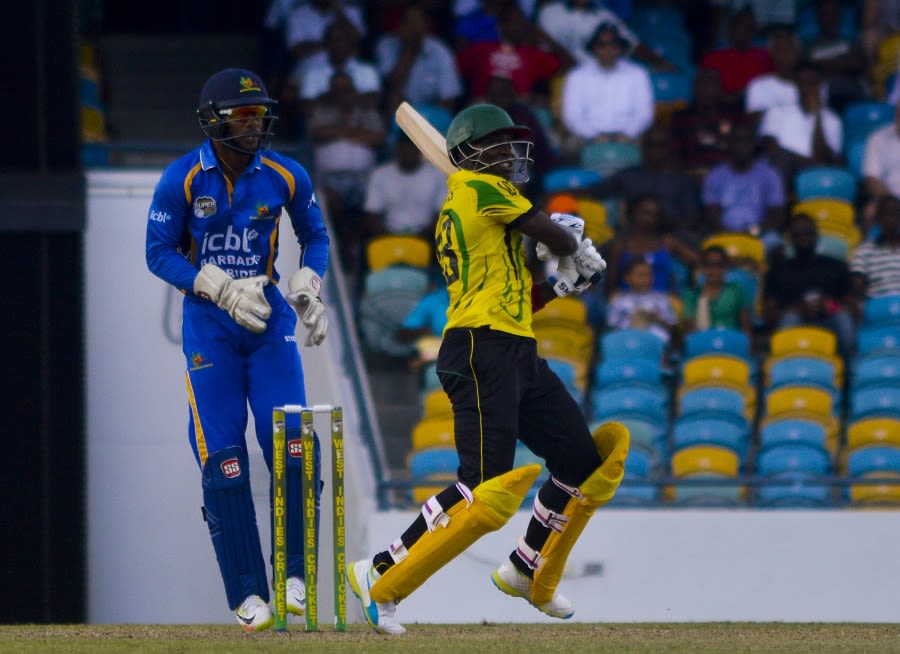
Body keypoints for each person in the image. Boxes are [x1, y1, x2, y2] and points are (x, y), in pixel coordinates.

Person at [346, 103, 627, 634]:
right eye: (496, 144)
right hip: (479, 349)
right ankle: (379, 571)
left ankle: (527, 566)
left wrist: (561, 284)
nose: (509, 153)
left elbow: (515, 298)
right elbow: (561, 239)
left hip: (512, 346)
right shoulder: (479, 189)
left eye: (511, 144)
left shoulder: (485, 206)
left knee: (579, 461)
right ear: (469, 153)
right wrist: (568, 239)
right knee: (483, 486)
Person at [144, 68, 330, 631]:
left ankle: (294, 574)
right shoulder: (182, 179)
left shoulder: (285, 174)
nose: (255, 126)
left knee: (293, 446)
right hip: (211, 329)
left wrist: (308, 283)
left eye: (259, 115)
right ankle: (248, 594)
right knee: (223, 460)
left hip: (268, 322)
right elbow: (158, 252)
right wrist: (213, 285)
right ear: (214, 121)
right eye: (243, 116)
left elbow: (315, 236)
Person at [764, 213, 856, 359]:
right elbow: (769, 315)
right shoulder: (778, 271)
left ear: (816, 236)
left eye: (808, 233)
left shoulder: (836, 266)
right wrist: (798, 309)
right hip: (796, 321)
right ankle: (785, 366)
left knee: (843, 318)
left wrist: (830, 305)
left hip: (830, 320)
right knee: (790, 318)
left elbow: (851, 308)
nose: (803, 238)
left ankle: (846, 369)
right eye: (798, 235)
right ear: (790, 238)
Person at [559, 20, 655, 152]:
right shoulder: (577, 76)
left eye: (613, 45)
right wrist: (593, 136)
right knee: (569, 147)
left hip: (629, 134)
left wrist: (627, 134)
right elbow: (572, 116)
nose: (607, 50)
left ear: (620, 48)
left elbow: (644, 114)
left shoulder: (637, 74)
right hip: (587, 136)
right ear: (593, 48)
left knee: (651, 147)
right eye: (602, 45)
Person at [701, 122, 786, 248]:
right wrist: (730, 234)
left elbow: (777, 214)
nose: (742, 145)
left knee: (776, 245)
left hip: (761, 234)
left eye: (746, 140)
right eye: (737, 140)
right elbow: (711, 214)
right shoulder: (715, 176)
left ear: (754, 144)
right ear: (729, 144)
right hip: (723, 233)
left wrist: (754, 232)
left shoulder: (770, 174)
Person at [681, 245, 753, 341]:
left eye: (720, 265)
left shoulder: (736, 291)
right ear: (702, 267)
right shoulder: (693, 294)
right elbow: (690, 331)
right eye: (709, 265)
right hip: (703, 345)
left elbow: (746, 329)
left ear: (726, 267)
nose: (715, 270)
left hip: (731, 344)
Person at [607, 258, 680, 346]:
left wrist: (657, 318)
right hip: (627, 345)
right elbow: (611, 329)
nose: (645, 278)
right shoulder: (619, 301)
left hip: (656, 345)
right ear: (627, 278)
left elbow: (674, 330)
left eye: (648, 274)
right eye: (640, 275)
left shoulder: (662, 299)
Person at [851, 194, 900, 302]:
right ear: (877, 219)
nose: (891, 218)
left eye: (895, 214)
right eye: (886, 214)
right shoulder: (864, 250)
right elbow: (857, 283)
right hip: (877, 306)